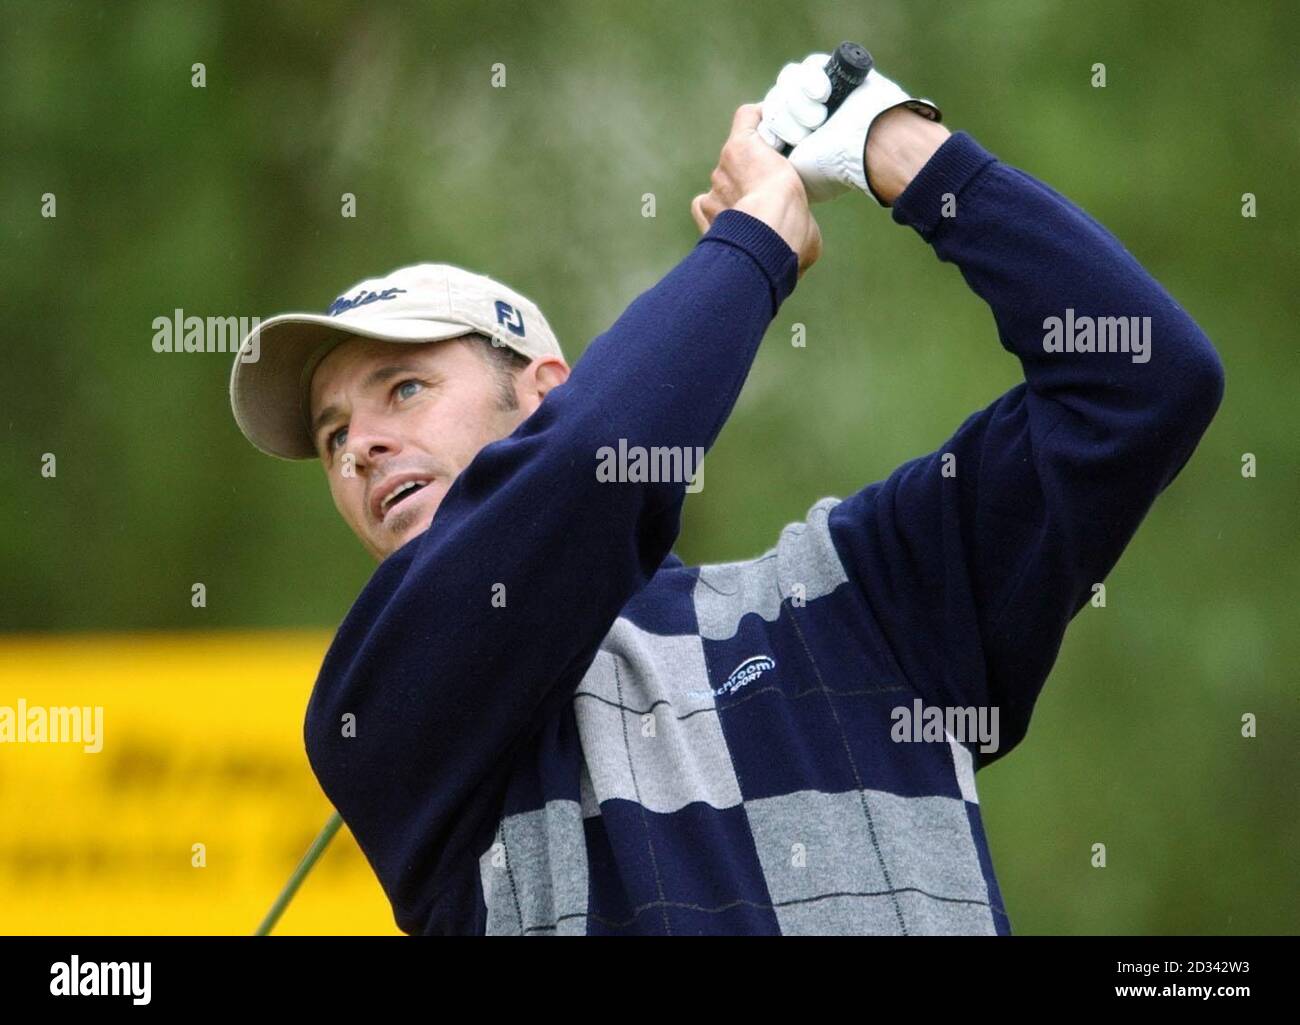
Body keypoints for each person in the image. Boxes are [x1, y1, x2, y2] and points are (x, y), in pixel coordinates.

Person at [229, 53, 1224, 935]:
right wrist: (753, 244)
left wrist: (905, 155)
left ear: (542, 393)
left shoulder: (866, 595)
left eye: (403, 389)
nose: (360, 445)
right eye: (331, 434)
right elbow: (595, 461)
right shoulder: (387, 708)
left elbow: (1143, 378)